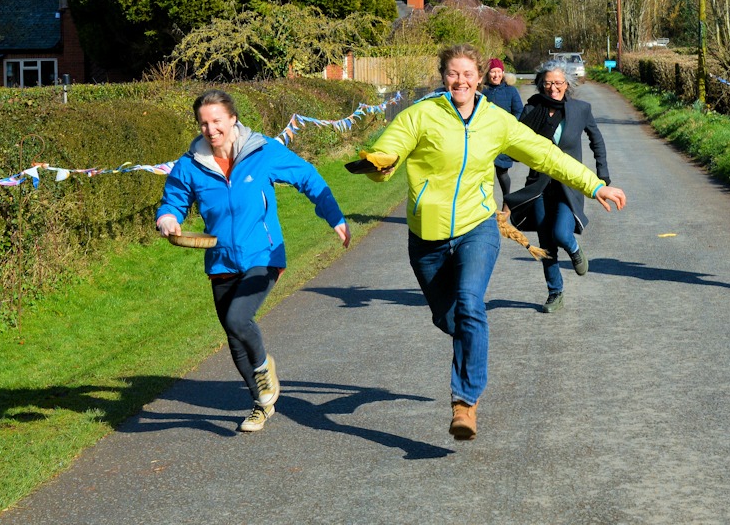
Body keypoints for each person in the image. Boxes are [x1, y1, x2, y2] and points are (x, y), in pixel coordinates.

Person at [355, 44, 627, 441]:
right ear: (443, 76)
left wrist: (596, 184)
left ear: (479, 77)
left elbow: (546, 155)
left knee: (470, 304)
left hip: (477, 226)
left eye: (468, 74)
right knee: (449, 319)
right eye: (453, 74)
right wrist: (380, 164)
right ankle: (469, 352)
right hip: (427, 236)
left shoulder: (496, 121)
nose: (460, 81)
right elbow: (388, 150)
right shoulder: (421, 115)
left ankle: (465, 403)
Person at [156, 89, 350, 433]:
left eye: (217, 121)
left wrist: (334, 217)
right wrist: (168, 220)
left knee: (238, 317)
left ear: (232, 119)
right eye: (204, 123)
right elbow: (173, 200)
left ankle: (264, 368)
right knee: (233, 335)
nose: (211, 129)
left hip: (264, 253)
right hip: (220, 260)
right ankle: (261, 404)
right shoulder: (190, 165)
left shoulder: (261, 152)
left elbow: (307, 177)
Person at [504, 66, 611, 312]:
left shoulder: (580, 110)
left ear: (567, 84)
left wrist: (602, 174)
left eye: (559, 83)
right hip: (539, 186)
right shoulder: (531, 110)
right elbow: (517, 143)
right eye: (549, 83)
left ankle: (574, 249)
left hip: (569, 186)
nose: (554, 88)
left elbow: (597, 140)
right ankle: (555, 293)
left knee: (562, 234)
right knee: (545, 242)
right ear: (542, 85)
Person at [480, 57, 523, 196]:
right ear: (488, 74)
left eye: (499, 71)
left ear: (503, 73)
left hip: (503, 136)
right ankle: (485, 204)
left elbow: (519, 111)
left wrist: (508, 125)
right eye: (493, 72)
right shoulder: (482, 91)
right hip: (485, 137)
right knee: (483, 173)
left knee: (502, 172)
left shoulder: (511, 91)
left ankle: (506, 200)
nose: (496, 75)